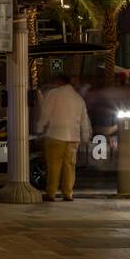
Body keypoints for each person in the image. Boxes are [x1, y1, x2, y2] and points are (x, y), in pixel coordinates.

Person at [36, 73, 92, 201]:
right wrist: (85, 136)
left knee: (54, 165)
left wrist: (40, 128)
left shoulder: (53, 94)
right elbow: (84, 120)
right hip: (73, 137)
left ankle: (51, 193)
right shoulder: (78, 98)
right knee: (69, 166)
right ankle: (68, 193)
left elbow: (46, 113)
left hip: (55, 134)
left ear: (58, 81)